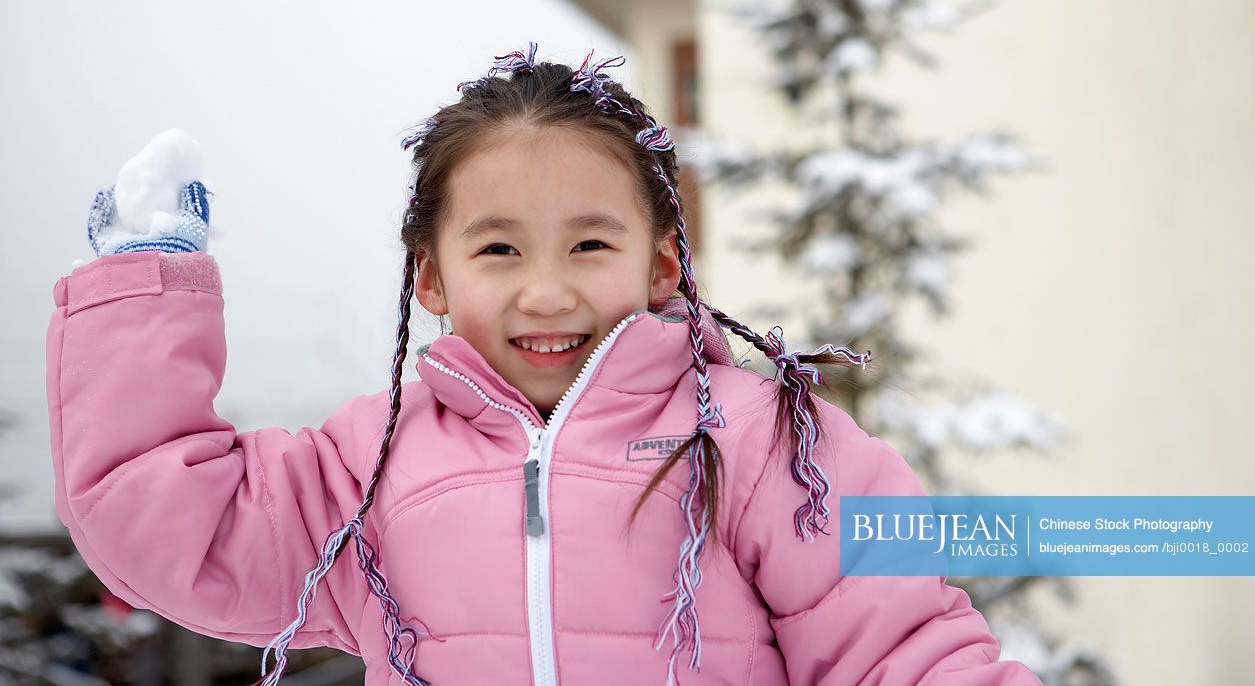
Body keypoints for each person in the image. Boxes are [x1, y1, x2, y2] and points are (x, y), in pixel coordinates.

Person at [45, 43, 1042, 685]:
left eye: (589, 246)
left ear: (659, 262)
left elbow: (900, 650)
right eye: (500, 249)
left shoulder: (756, 438)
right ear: (430, 274)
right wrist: (145, 285)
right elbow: (166, 523)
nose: (548, 290)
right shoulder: (369, 466)